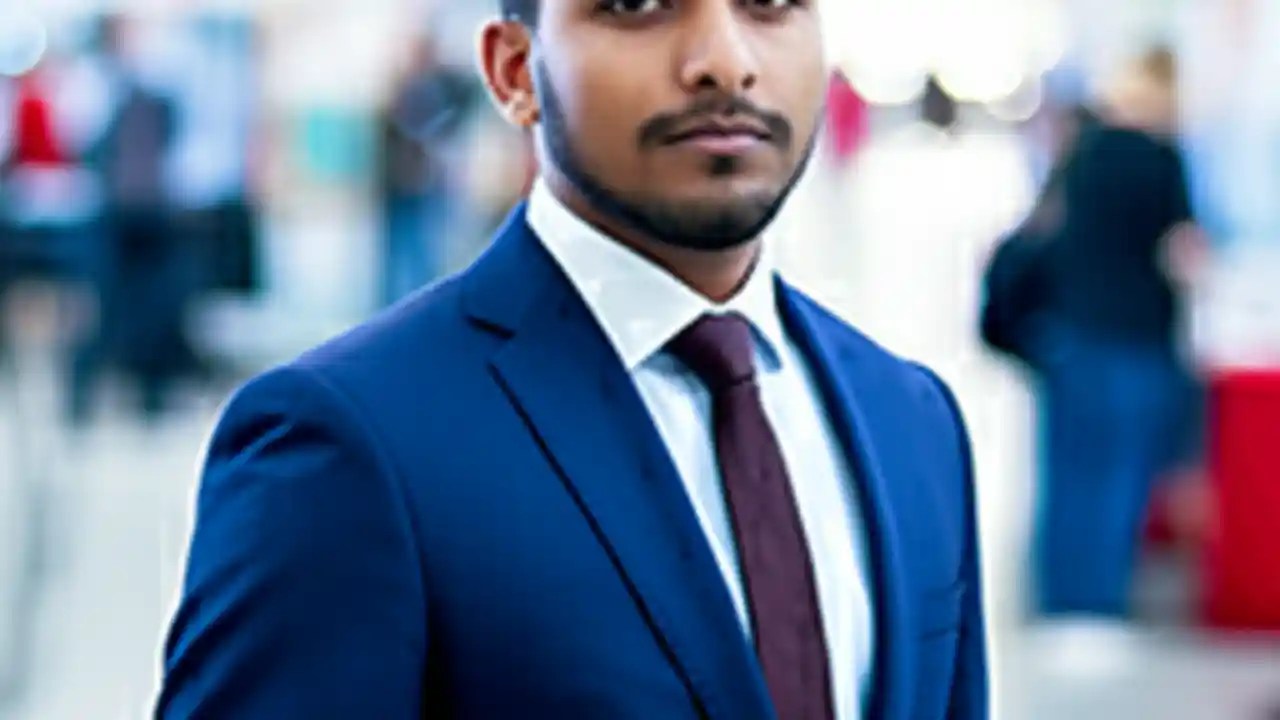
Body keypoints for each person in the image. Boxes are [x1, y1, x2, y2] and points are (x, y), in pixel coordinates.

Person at [157, 2, 987, 718]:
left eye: (770, 2)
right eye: (635, 3)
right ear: (515, 70)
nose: (725, 62)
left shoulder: (909, 421)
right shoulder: (351, 444)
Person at [1027, 49, 1204, 618]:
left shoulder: (1084, 152)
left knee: (1068, 475)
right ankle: (1100, 605)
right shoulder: (1163, 158)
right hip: (1138, 338)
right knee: (1121, 479)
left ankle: (1060, 599)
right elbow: (1182, 253)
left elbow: (1046, 234)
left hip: (1073, 334)